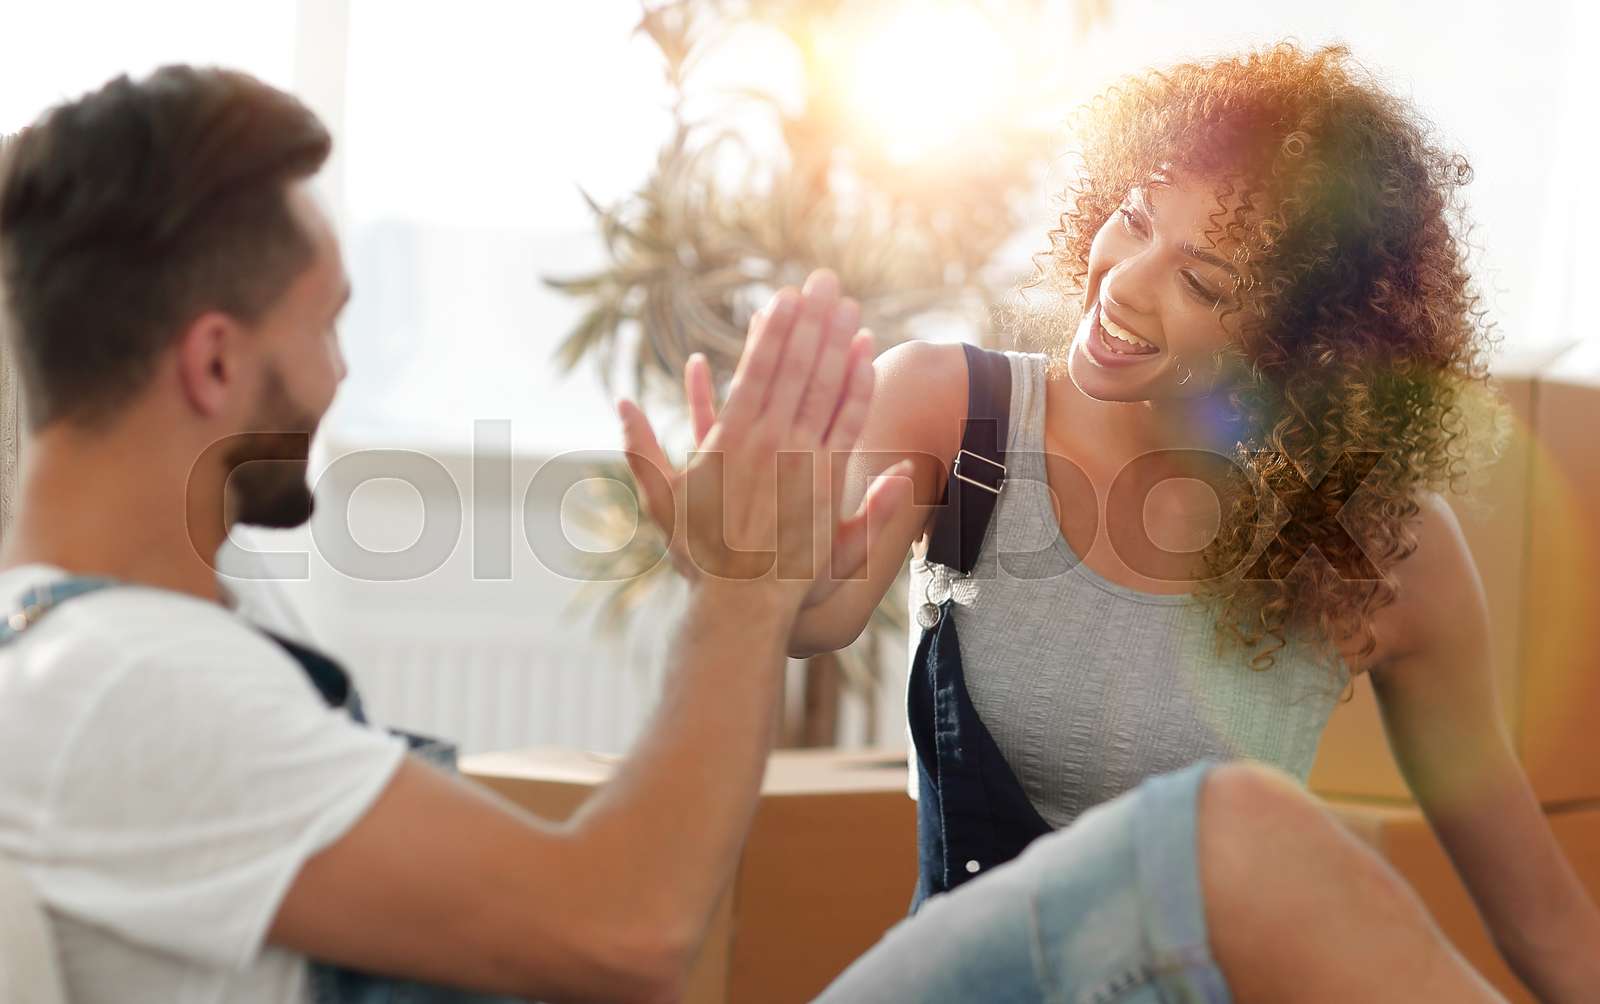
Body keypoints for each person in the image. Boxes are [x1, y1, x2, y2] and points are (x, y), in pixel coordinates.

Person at [0, 64, 1520, 1004]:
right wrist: (750, 582)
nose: (341, 378)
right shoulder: (121, 691)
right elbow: (635, 926)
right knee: (1242, 837)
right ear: (208, 362)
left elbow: (626, 936)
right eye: (328, 329)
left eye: (1213, 274)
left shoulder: (149, 666)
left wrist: (749, 570)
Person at [700, 42, 1599, 999]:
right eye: (1133, 220)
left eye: (1202, 281)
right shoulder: (955, 410)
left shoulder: (1380, 548)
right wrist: (744, 555)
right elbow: (817, 615)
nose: (1123, 283)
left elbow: (1544, 921)